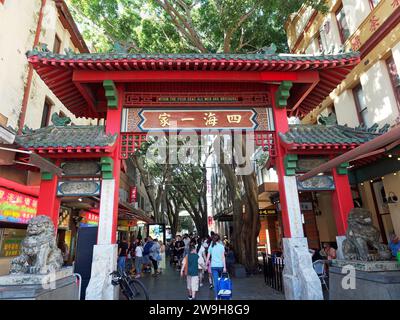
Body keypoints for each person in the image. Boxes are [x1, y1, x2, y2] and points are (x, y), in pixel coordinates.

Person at [206, 234, 227, 300]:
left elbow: (208, 257)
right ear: (219, 239)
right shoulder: (221, 246)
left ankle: (217, 296)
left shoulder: (211, 246)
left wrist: (205, 264)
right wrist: (224, 267)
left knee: (215, 282)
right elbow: (223, 257)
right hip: (220, 266)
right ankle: (220, 294)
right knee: (220, 280)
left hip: (213, 266)